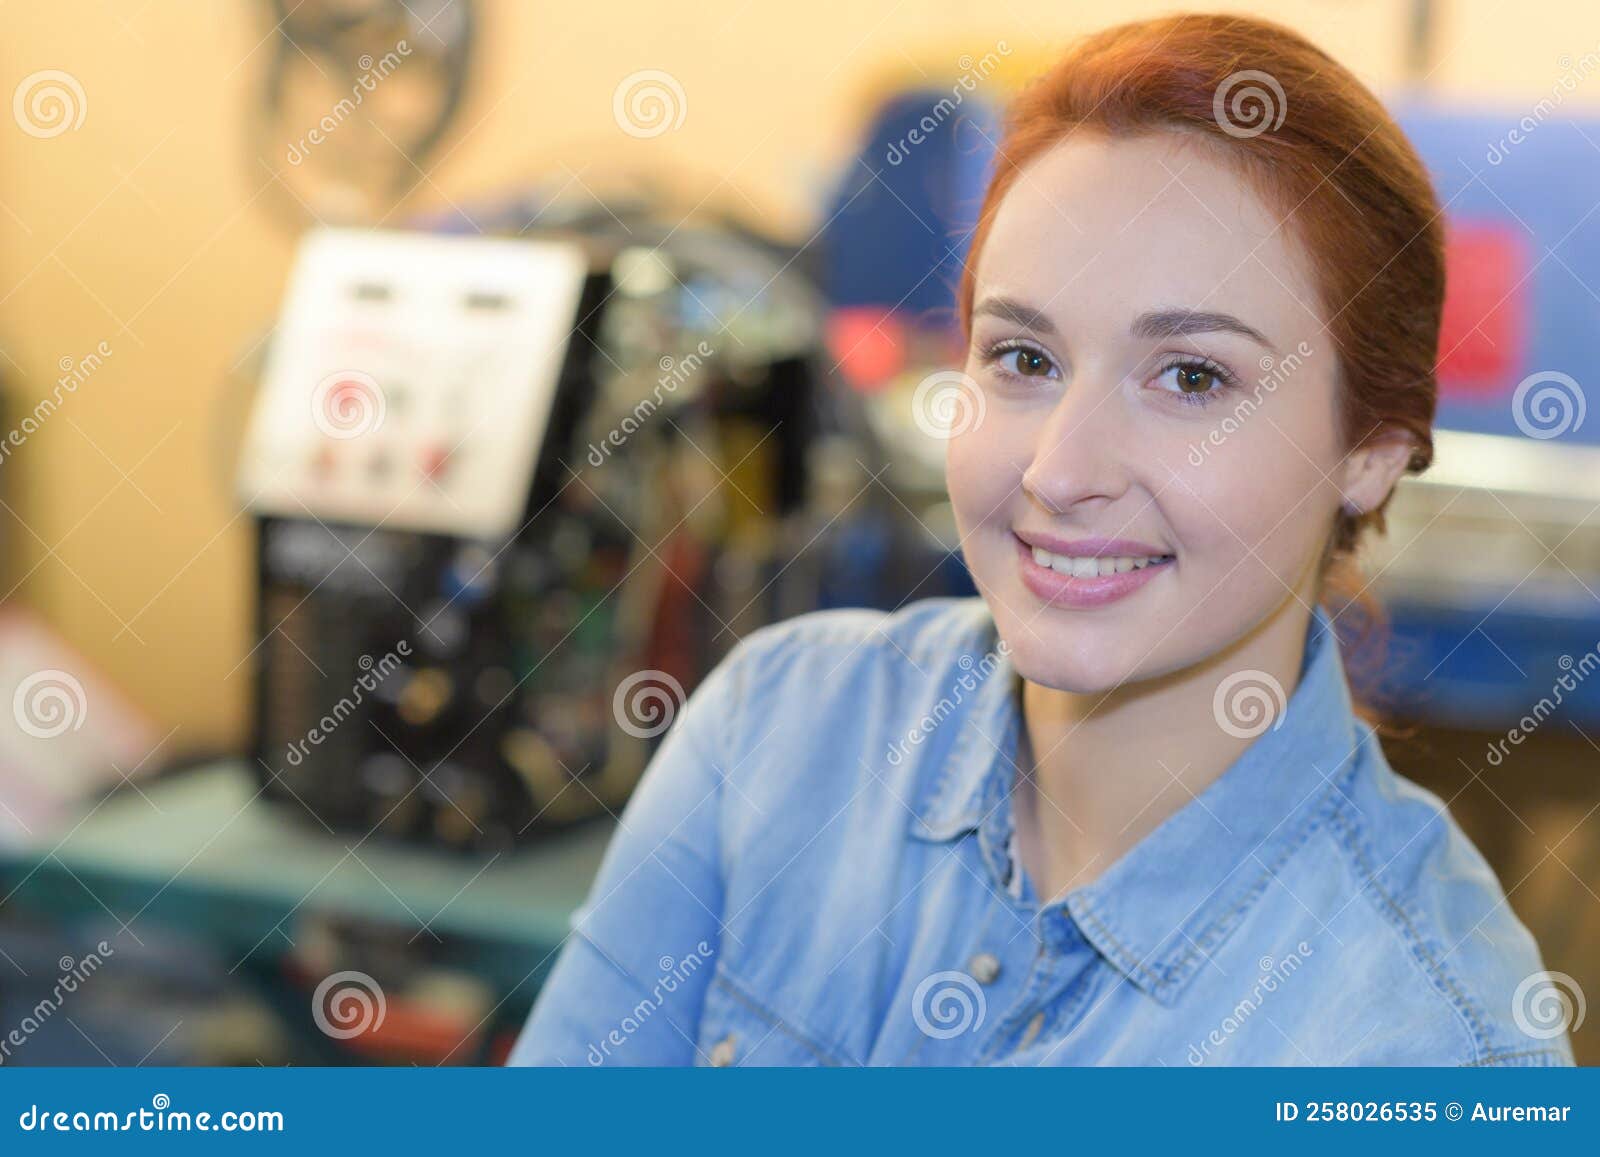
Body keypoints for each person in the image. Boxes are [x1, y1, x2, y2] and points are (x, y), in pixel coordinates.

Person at [507, 11, 1575, 1066]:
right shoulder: (778, 733)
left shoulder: (1422, 1044)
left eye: (1193, 377)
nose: (1059, 471)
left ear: (1371, 449)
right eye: (1023, 357)